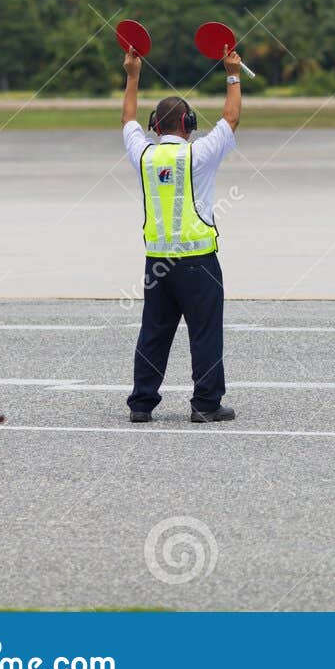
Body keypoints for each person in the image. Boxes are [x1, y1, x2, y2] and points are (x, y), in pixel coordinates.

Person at [120, 44, 242, 424]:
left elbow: (127, 121)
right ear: (188, 125)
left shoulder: (144, 155)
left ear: (156, 126)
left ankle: (142, 403)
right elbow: (231, 118)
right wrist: (232, 73)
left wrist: (132, 75)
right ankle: (205, 403)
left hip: (157, 263)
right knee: (204, 333)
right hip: (197, 263)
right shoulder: (198, 155)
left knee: (153, 333)